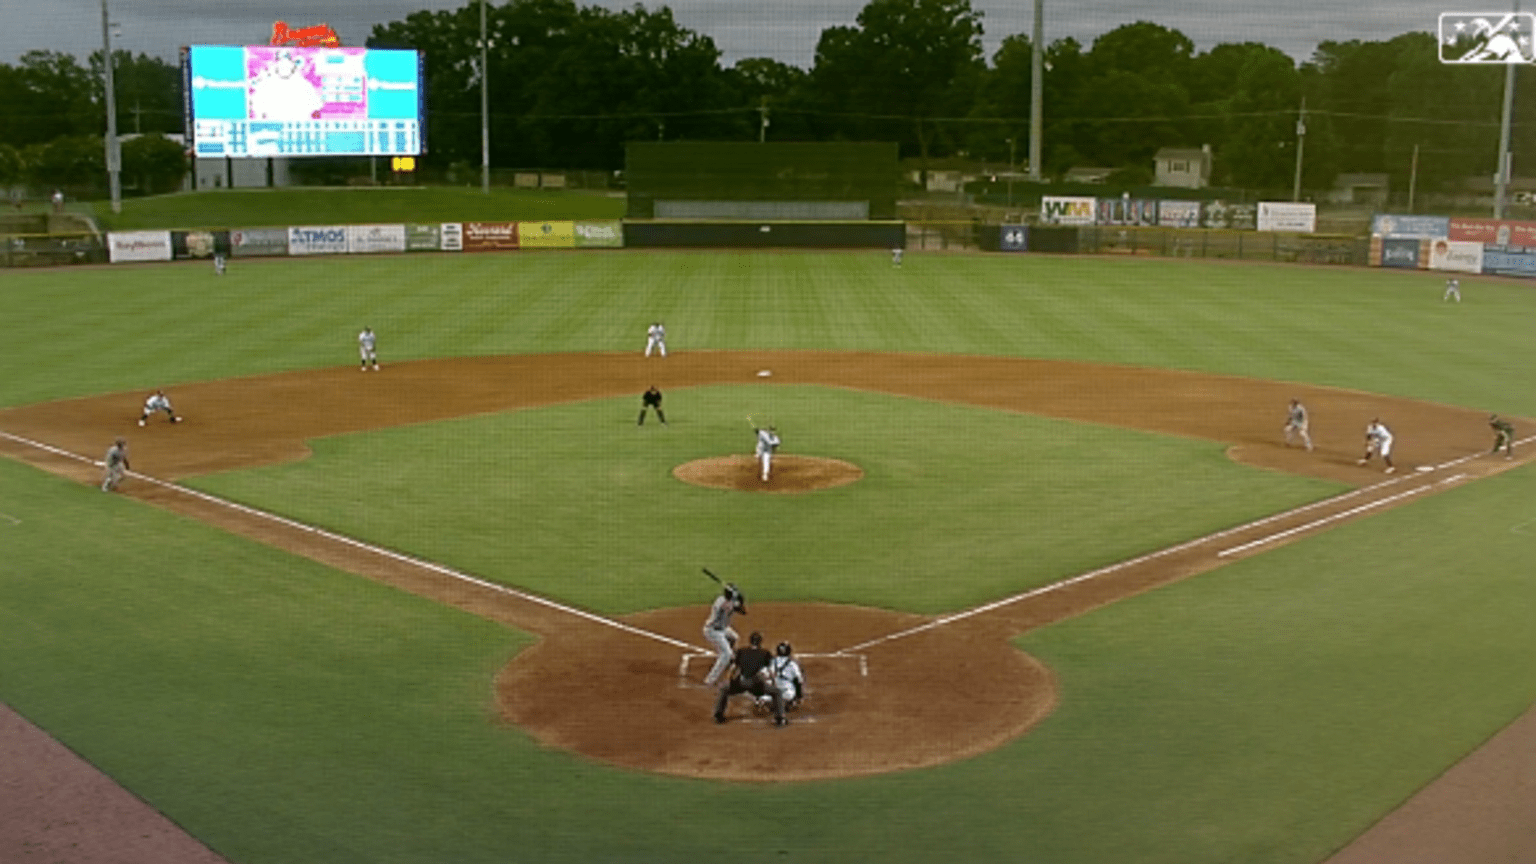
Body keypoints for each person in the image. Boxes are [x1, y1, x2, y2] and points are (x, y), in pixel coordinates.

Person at [713, 631, 786, 727]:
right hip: (756, 685)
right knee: (777, 692)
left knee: (724, 689)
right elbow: (771, 671)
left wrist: (730, 681)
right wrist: (773, 684)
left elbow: (733, 668)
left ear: (750, 641)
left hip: (741, 683)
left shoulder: (741, 651)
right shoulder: (765, 653)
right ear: (760, 642)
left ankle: (718, 715)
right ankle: (779, 719)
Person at [701, 581, 747, 686]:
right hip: (712, 631)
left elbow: (743, 610)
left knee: (734, 638)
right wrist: (740, 599)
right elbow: (740, 610)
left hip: (723, 629)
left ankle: (729, 661)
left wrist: (739, 599)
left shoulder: (727, 600)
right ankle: (710, 680)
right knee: (726, 654)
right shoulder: (723, 604)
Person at [767, 641, 805, 711]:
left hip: (773, 693)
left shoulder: (772, 662)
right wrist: (799, 697)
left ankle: (766, 701)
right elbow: (799, 681)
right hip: (788, 693)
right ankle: (790, 703)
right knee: (796, 680)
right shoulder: (793, 664)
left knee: (769, 680)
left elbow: (768, 676)